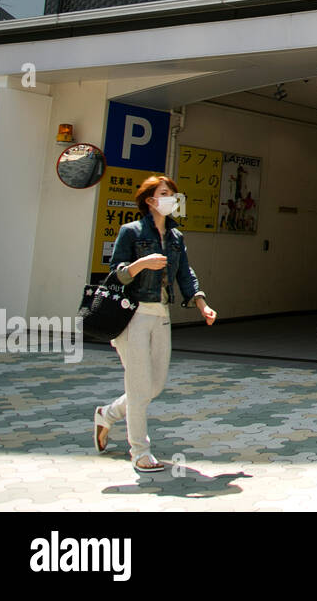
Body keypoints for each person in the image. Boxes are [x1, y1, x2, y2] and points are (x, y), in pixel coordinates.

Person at [93, 175, 216, 471]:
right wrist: (142, 264)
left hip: (161, 314)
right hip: (133, 315)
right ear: (150, 200)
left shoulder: (176, 237)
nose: (171, 198)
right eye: (164, 193)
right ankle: (140, 451)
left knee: (155, 385)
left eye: (173, 193)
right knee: (138, 386)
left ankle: (107, 414)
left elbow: (185, 273)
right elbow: (116, 272)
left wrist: (202, 303)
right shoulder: (131, 232)